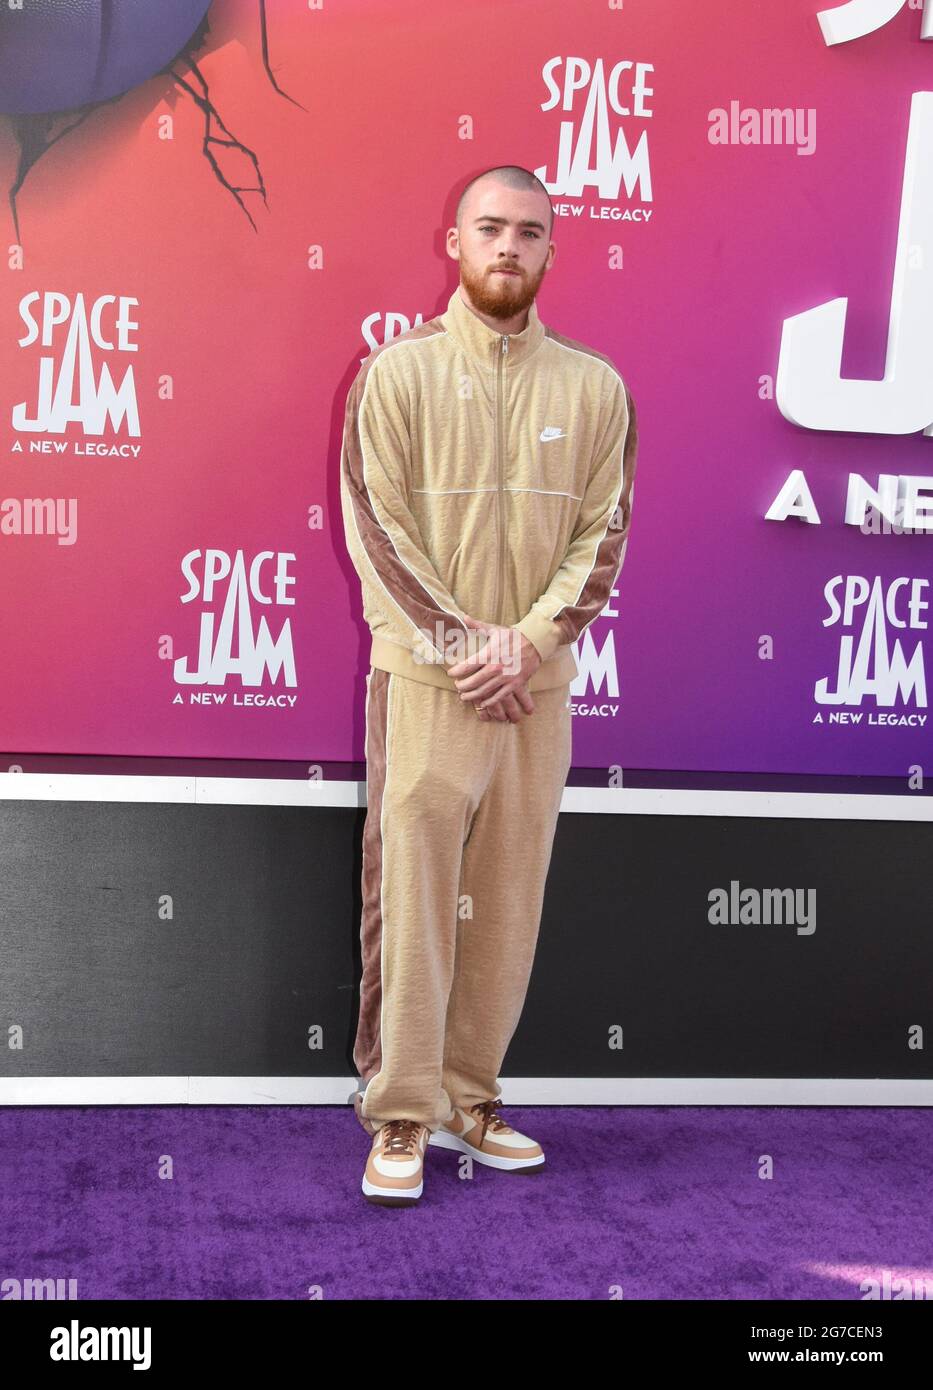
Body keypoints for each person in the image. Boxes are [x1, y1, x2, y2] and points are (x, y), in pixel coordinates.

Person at [339, 164, 639, 1205]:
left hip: (534, 691)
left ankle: (473, 1096)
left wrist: (530, 642)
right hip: (428, 685)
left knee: (505, 902)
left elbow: (604, 535)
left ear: (553, 251)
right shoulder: (395, 375)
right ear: (453, 243)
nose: (509, 245)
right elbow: (379, 529)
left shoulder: (597, 387)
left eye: (530, 231)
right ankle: (404, 1114)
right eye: (490, 227)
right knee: (414, 900)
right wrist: (471, 646)